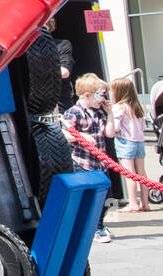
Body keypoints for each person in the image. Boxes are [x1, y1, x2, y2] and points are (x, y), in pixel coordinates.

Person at [62, 73, 117, 242]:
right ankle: (92, 229)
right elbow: (63, 133)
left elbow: (110, 133)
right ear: (87, 95)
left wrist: (110, 113)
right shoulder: (74, 112)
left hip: (100, 164)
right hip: (82, 163)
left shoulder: (100, 112)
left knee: (106, 197)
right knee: (87, 199)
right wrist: (81, 137)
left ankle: (99, 225)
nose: (103, 99)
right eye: (101, 94)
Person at [110, 77, 148, 213]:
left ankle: (133, 203)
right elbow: (143, 126)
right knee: (142, 173)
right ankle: (145, 202)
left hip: (125, 142)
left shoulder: (119, 107)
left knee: (129, 174)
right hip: (139, 142)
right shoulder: (137, 107)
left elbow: (115, 128)